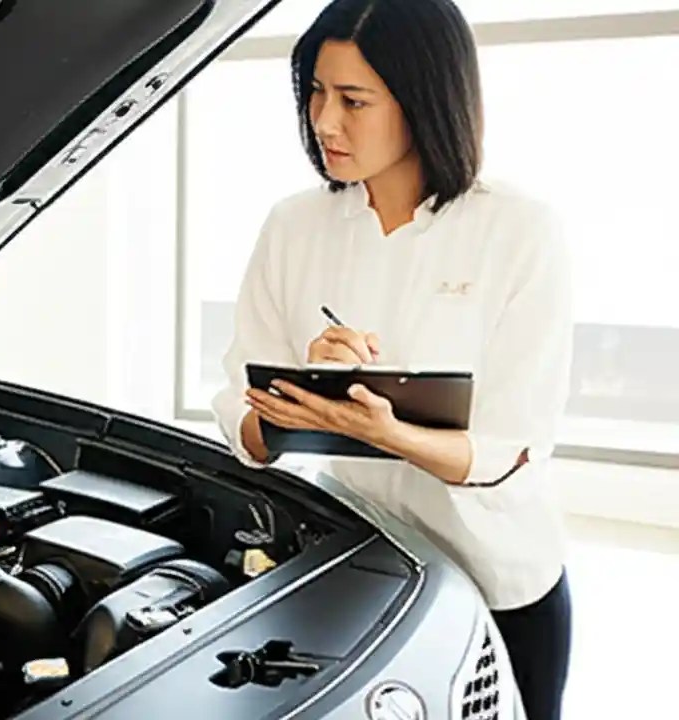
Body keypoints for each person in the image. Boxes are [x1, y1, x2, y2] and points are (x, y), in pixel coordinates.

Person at [209, 0, 573, 718]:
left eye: (353, 100)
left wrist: (384, 431)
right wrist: (299, 396)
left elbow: (512, 445)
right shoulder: (294, 225)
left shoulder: (519, 230)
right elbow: (246, 430)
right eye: (315, 91)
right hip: (368, 572)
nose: (324, 121)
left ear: (426, 100)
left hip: (502, 582)